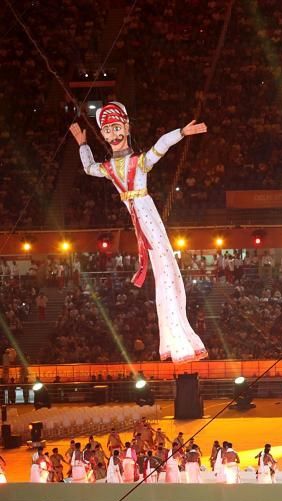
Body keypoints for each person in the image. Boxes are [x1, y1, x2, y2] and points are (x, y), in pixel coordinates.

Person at [70, 104, 207, 363]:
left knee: (166, 269)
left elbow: (161, 146)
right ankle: (178, 339)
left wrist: (182, 132)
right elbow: (89, 168)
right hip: (141, 217)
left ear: (127, 127)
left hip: (146, 213)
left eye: (117, 127)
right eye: (108, 130)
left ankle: (179, 337)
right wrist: (82, 144)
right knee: (165, 271)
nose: (113, 134)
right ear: (104, 134)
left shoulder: (138, 162)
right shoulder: (110, 168)